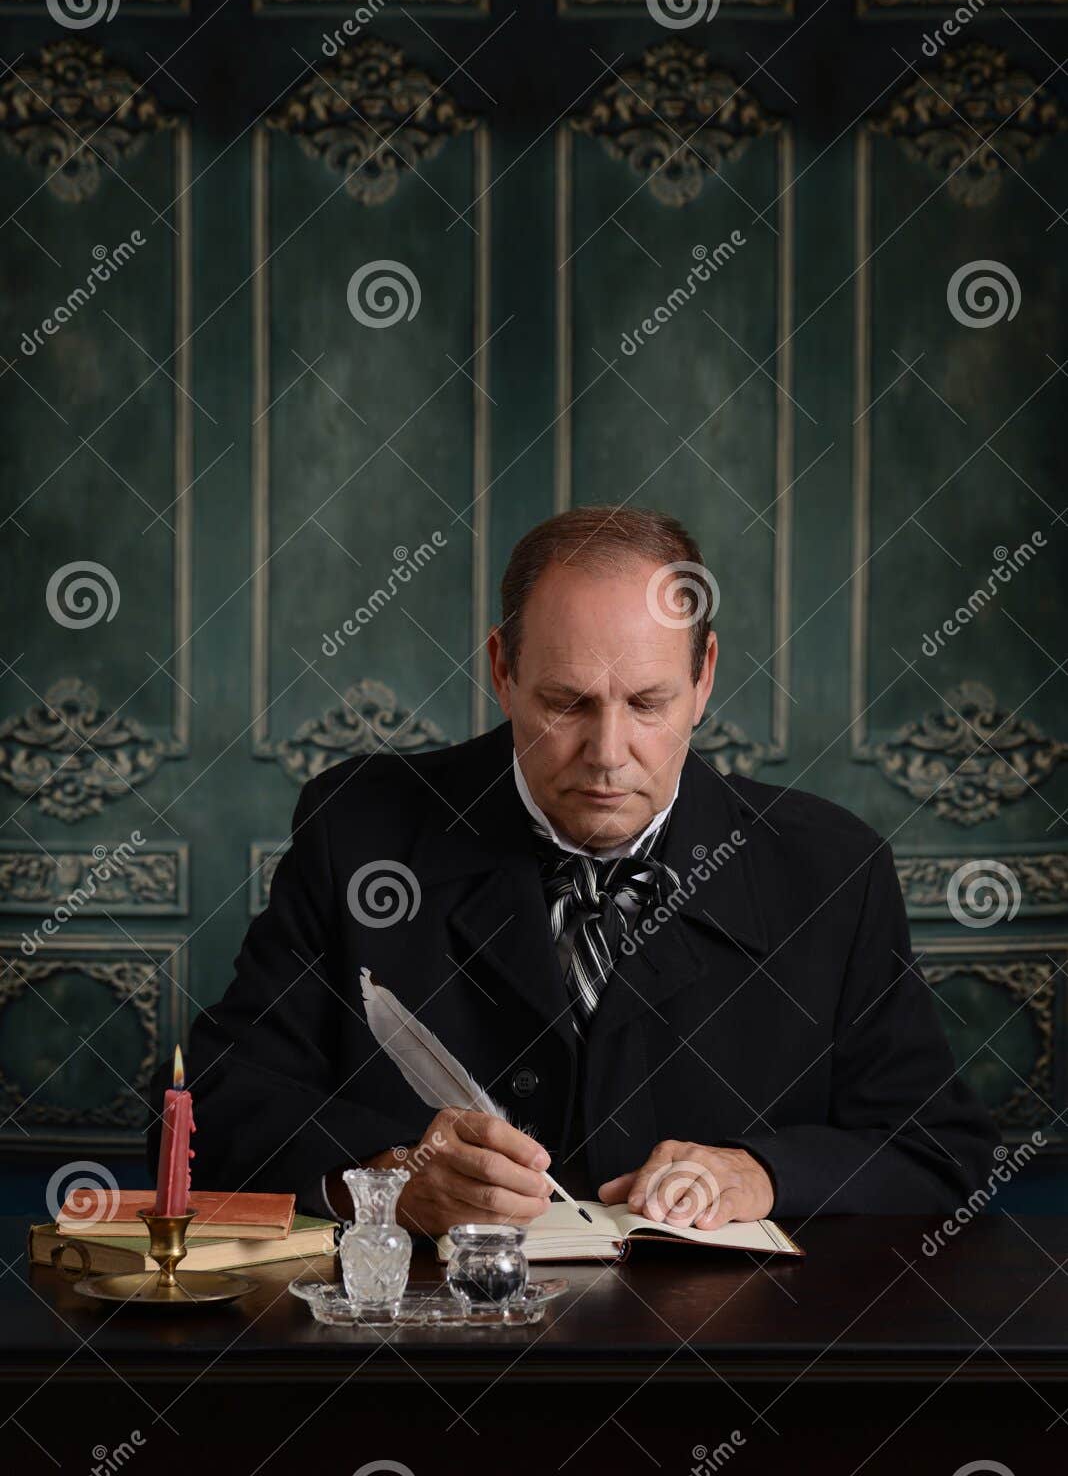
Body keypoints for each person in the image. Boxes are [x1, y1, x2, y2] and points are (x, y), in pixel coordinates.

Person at [147, 506, 1000, 1238]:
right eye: (567, 703)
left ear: (704, 677)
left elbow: (938, 1151)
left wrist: (764, 1174)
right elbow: (206, 1109)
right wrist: (385, 1178)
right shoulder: (359, 833)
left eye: (648, 704)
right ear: (502, 671)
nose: (608, 754)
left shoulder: (833, 870)